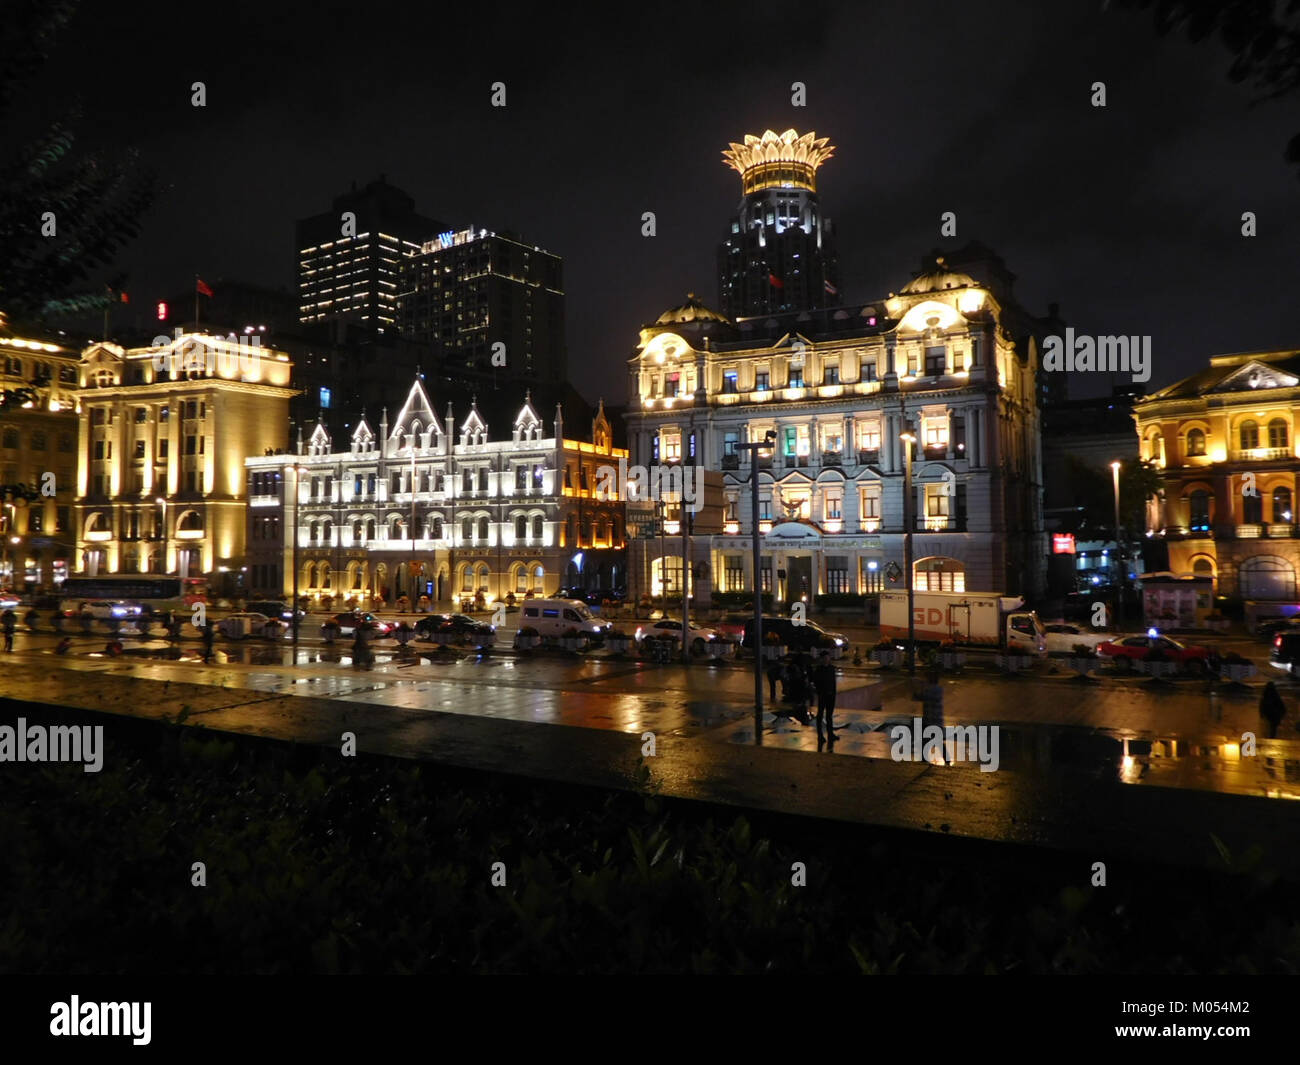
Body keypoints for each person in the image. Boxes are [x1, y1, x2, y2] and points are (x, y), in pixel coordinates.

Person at [813, 649, 838, 745]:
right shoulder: (819, 670)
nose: (827, 659)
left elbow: (833, 682)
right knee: (820, 715)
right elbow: (816, 682)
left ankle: (830, 734)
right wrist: (820, 692)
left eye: (828, 657)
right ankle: (820, 735)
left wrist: (834, 693)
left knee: (829, 716)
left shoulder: (831, 668)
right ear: (822, 659)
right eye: (825, 658)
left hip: (831, 695)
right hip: (823, 695)